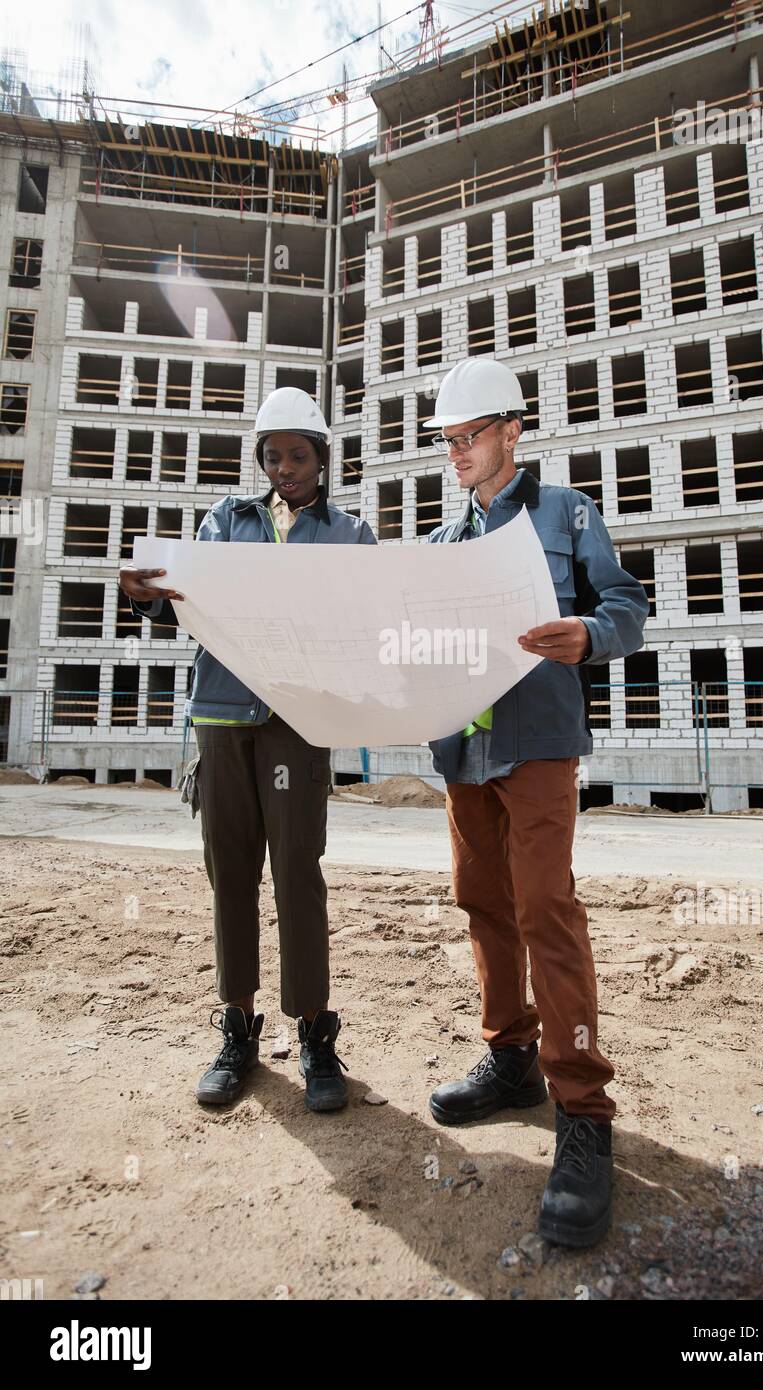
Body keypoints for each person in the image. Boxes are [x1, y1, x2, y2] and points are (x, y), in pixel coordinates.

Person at [421, 356, 650, 1248]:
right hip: (464, 751)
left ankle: (583, 1107)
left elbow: (627, 606)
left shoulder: (568, 514)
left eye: (466, 437)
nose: (455, 453)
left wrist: (587, 633)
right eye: (446, 442)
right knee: (483, 906)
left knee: (547, 911)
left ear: (511, 433)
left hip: (540, 746)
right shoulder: (443, 543)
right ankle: (510, 1057)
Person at [117, 387, 376, 1114]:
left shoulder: (350, 535)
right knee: (230, 869)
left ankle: (314, 1031)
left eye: (298, 455)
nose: (285, 468)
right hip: (223, 717)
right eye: (273, 457)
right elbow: (182, 599)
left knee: (297, 870)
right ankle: (237, 1028)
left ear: (322, 459)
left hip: (298, 718)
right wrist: (143, 594)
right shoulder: (225, 521)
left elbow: (369, 621)